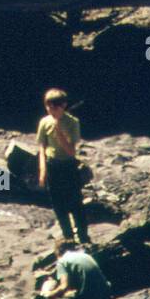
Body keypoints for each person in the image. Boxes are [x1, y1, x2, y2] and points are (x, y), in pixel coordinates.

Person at [36, 88, 89, 244]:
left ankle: (84, 237)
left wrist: (59, 130)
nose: (51, 110)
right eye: (48, 107)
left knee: (75, 203)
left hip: (68, 166)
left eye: (54, 107)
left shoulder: (72, 123)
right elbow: (42, 146)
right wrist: (42, 169)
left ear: (63, 105)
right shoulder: (44, 122)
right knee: (58, 204)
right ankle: (68, 237)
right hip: (52, 166)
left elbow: (71, 151)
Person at [36, 240, 115, 299]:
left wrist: (49, 296)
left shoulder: (62, 261)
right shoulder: (85, 255)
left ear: (58, 252)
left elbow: (64, 287)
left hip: (89, 297)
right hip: (105, 291)